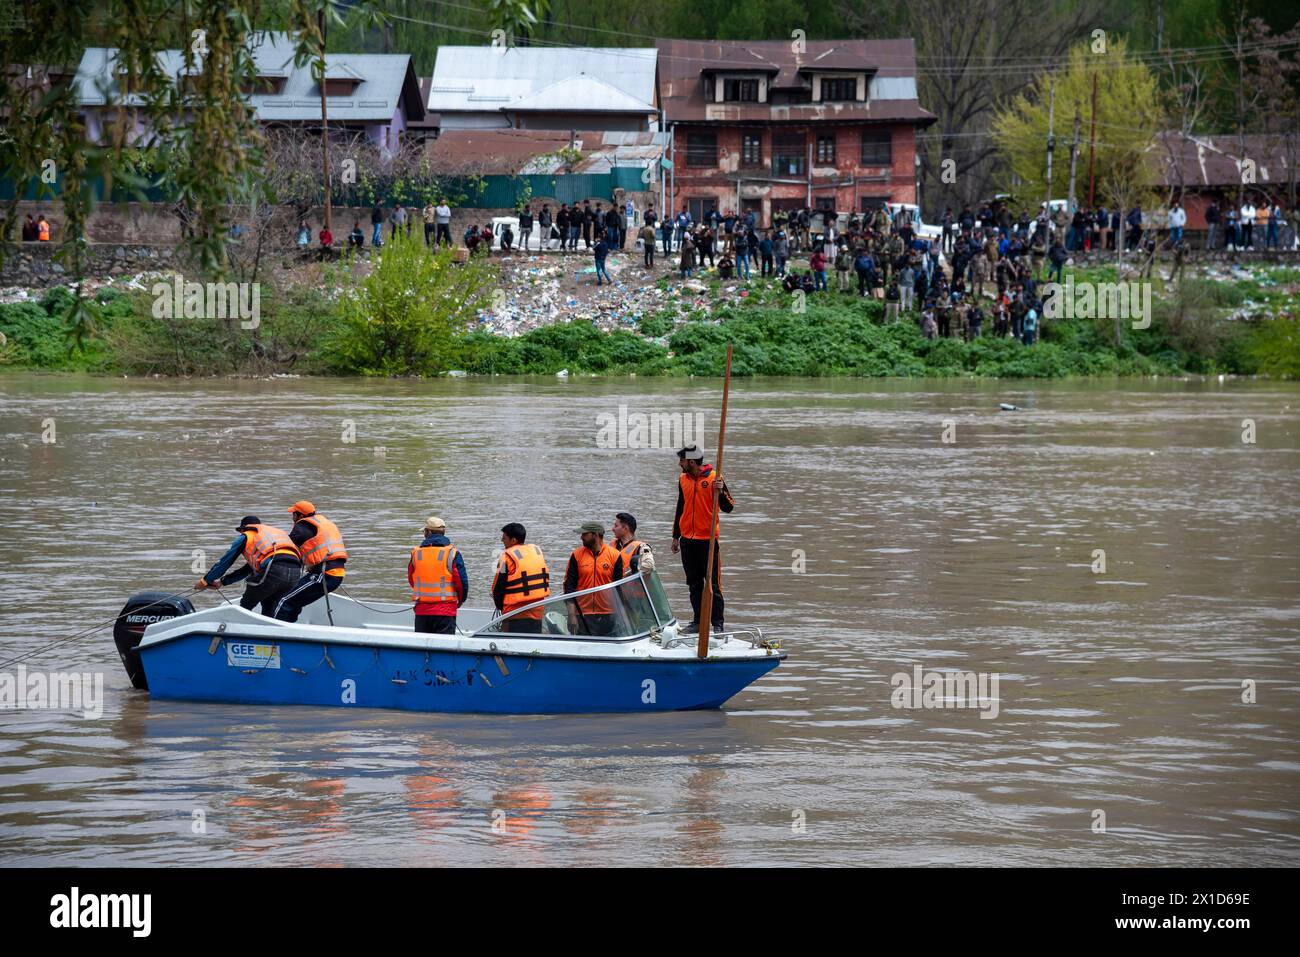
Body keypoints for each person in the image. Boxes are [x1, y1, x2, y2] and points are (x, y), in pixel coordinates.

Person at [671, 444, 733, 634]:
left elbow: (729, 507)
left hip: (707, 540)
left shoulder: (716, 478)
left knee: (713, 583)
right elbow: (680, 507)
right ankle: (698, 621)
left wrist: (720, 492)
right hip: (688, 540)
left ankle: (718, 624)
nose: (680, 464)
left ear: (691, 461)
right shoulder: (683, 479)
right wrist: (675, 536)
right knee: (693, 583)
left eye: (682, 460)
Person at [195, 515, 302, 616]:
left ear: (243, 529)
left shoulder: (246, 536)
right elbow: (247, 569)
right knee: (269, 604)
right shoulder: (270, 538)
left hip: (274, 569)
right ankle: (266, 633)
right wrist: (222, 582)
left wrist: (206, 581)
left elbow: (225, 562)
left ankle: (238, 632)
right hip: (296, 573)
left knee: (246, 605)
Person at [274, 501, 348, 623]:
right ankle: (290, 631)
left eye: (293, 514)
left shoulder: (302, 527)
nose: (292, 517)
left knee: (283, 600)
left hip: (324, 574)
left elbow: (287, 549)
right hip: (334, 573)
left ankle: (275, 633)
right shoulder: (325, 523)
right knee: (294, 602)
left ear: (300, 515)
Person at [408, 516, 467, 634]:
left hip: (422, 611)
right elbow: (461, 581)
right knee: (445, 647)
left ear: (428, 532)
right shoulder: (452, 553)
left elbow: (411, 579)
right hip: (445, 611)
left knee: (422, 647)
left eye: (424, 531)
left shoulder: (416, 553)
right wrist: (461, 599)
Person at [563, 521, 623, 636]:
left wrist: (621, 616)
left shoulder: (615, 555)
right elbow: (569, 587)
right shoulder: (576, 555)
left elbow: (618, 588)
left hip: (608, 615)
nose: (581, 537)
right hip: (582, 614)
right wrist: (571, 615)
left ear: (595, 535)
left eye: (584, 534)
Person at [491, 523, 551, 633]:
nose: (501, 540)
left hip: (513, 614)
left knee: (510, 646)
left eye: (504, 538)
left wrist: (500, 606)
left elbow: (498, 588)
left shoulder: (506, 557)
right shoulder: (536, 552)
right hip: (537, 612)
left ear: (513, 540)